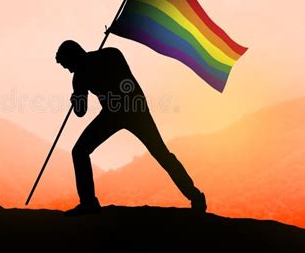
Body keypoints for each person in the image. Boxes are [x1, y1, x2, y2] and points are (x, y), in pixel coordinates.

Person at [55, 40, 206, 216]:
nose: (70, 70)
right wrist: (76, 98)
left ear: (75, 55)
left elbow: (124, 82)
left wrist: (86, 88)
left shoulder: (109, 55)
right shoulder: (88, 70)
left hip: (134, 110)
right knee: (80, 152)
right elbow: (81, 112)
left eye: (68, 65)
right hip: (117, 113)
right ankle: (88, 203)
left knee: (160, 153)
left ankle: (195, 196)